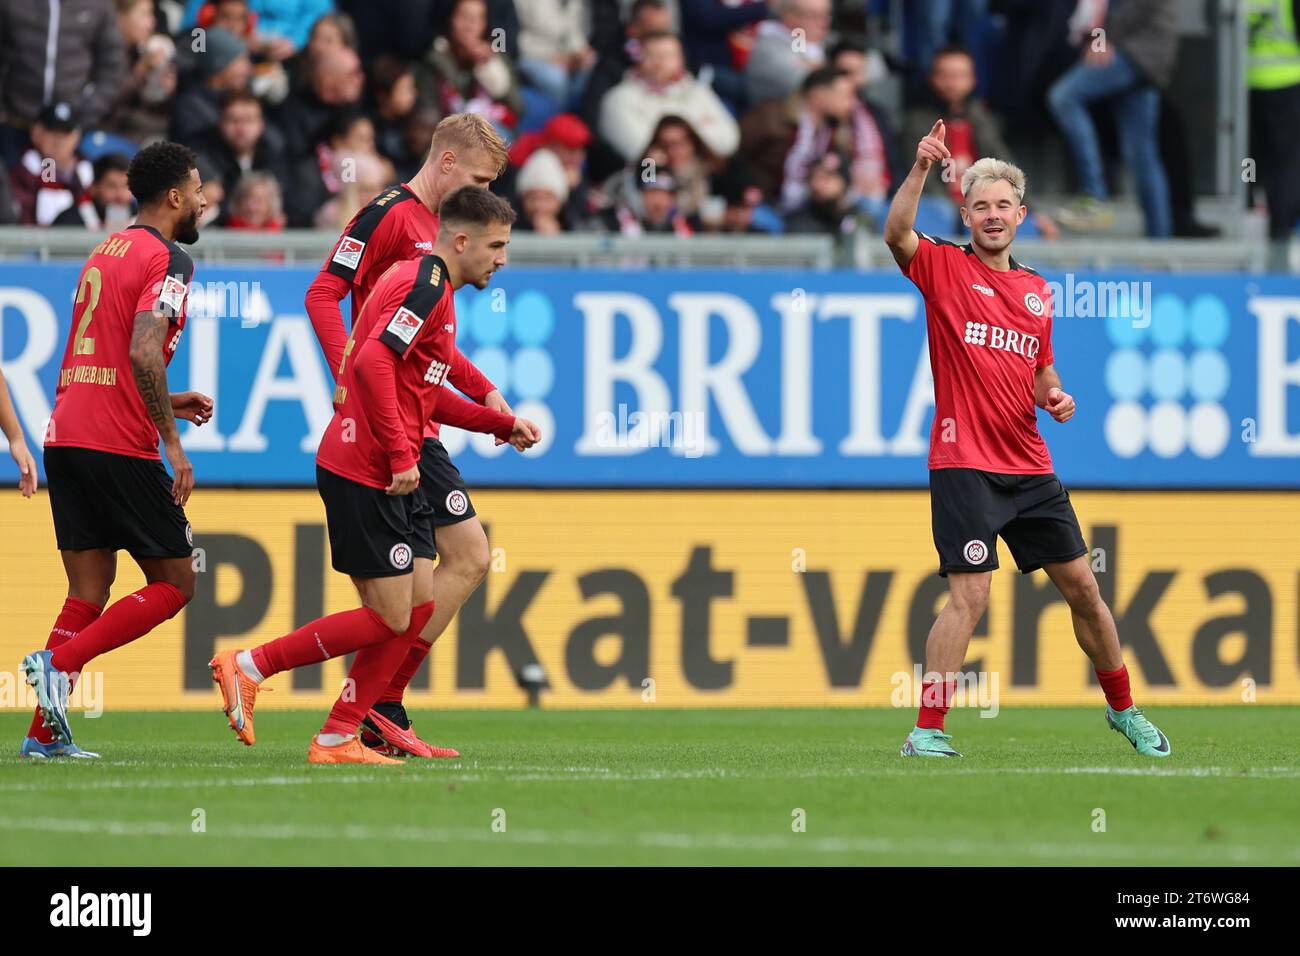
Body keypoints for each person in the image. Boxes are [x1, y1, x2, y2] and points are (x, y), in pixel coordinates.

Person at [210, 187, 541, 765]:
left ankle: (341, 734)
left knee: (413, 608)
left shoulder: (427, 285)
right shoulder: (425, 286)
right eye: (497, 245)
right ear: (461, 240)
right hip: (366, 467)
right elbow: (369, 362)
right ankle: (251, 665)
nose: (502, 258)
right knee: (390, 614)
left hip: (377, 462)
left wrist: (497, 422)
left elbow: (424, 391)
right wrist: (399, 455)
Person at [882, 121, 1171, 759]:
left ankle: (1123, 709)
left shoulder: (1038, 292)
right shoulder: (943, 268)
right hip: (964, 463)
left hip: (1030, 465)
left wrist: (1054, 394)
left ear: (1021, 214)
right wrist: (921, 167)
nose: (991, 215)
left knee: (1085, 591)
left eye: (1002, 205)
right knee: (972, 593)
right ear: (966, 214)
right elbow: (896, 233)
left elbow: (1040, 369)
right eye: (979, 205)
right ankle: (927, 729)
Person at [301, 113, 516, 758]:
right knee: (451, 567)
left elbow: (430, 343)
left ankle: (373, 706)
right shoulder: (388, 215)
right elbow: (322, 295)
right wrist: (347, 369)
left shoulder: (447, 232)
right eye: (477, 177)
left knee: (455, 564)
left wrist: (484, 393)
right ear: (447, 163)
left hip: (414, 409)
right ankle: (366, 705)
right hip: (391, 419)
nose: (480, 193)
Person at [21, 142, 213, 758]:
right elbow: (141, 348)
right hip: (117, 443)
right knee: (179, 582)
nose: (207, 199)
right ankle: (60, 663)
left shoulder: (106, 248)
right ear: (175, 196)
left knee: (89, 586)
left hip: (67, 433)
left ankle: (42, 737)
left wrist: (169, 399)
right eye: (200, 188)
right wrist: (173, 442)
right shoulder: (172, 260)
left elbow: (116, 355)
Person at [1046, 0, 1178, 237]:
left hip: (1135, 52)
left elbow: (1129, 10)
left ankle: (1095, 196)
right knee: (1142, 154)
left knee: (1064, 97)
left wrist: (1104, 40)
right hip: (1146, 55)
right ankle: (1160, 239)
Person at [52, 153, 135, 230]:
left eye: (126, 186)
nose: (120, 195)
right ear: (93, 188)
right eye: (111, 186)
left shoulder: (140, 218)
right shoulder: (68, 222)